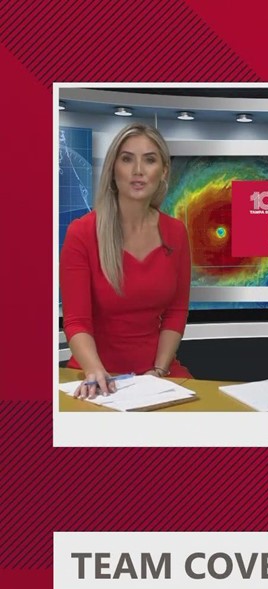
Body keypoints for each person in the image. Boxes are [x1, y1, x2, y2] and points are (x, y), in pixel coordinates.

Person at [61, 123, 191, 399]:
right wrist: (95, 371)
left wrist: (157, 372)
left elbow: (176, 313)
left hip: (158, 373)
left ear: (164, 171)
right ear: (113, 170)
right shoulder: (82, 233)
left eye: (150, 160)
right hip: (97, 374)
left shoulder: (176, 232)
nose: (138, 171)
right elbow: (76, 322)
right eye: (127, 158)